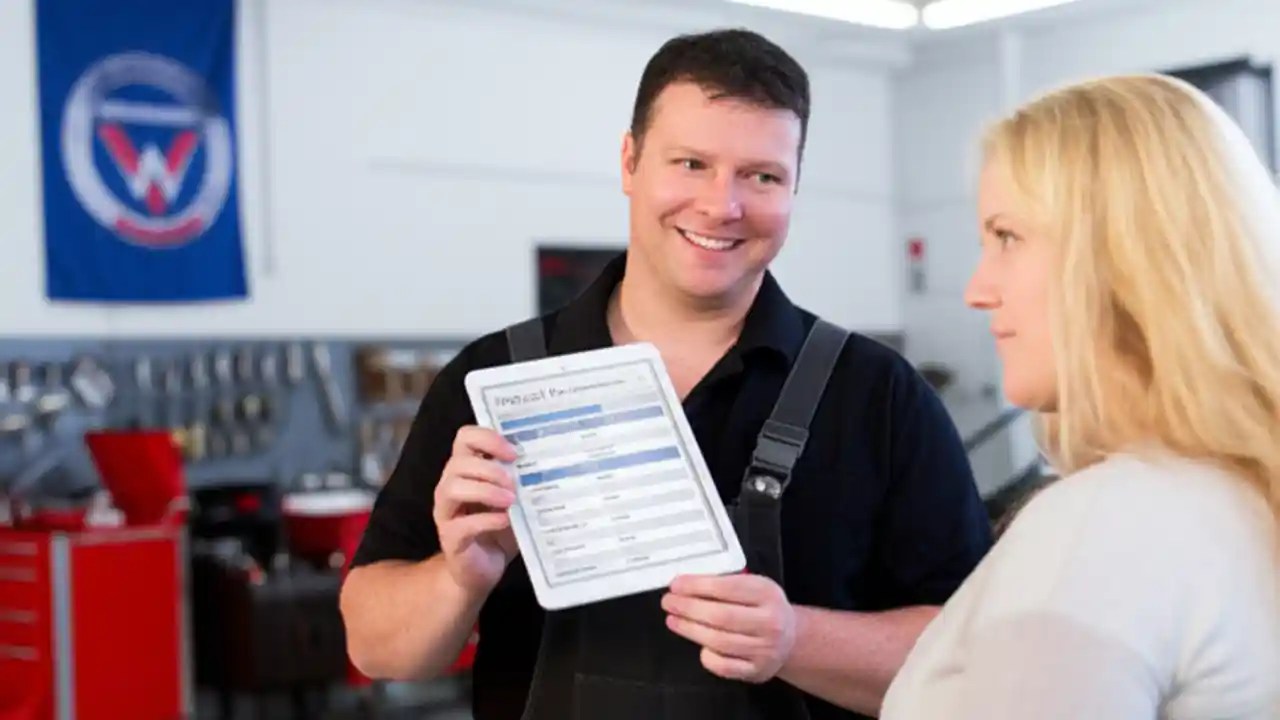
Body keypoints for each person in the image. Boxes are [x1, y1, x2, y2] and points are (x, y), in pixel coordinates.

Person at [340, 28, 992, 720]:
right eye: (690, 163)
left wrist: (796, 640)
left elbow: (969, 659)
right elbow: (377, 649)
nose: (721, 205)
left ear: (795, 184)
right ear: (629, 161)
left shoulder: (878, 396)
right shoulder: (493, 380)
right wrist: (458, 579)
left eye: (761, 176)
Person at [879, 73, 1280, 719]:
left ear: (1120, 257)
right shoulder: (1244, 500)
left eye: (1007, 238)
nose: (978, 290)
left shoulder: (1108, 521)